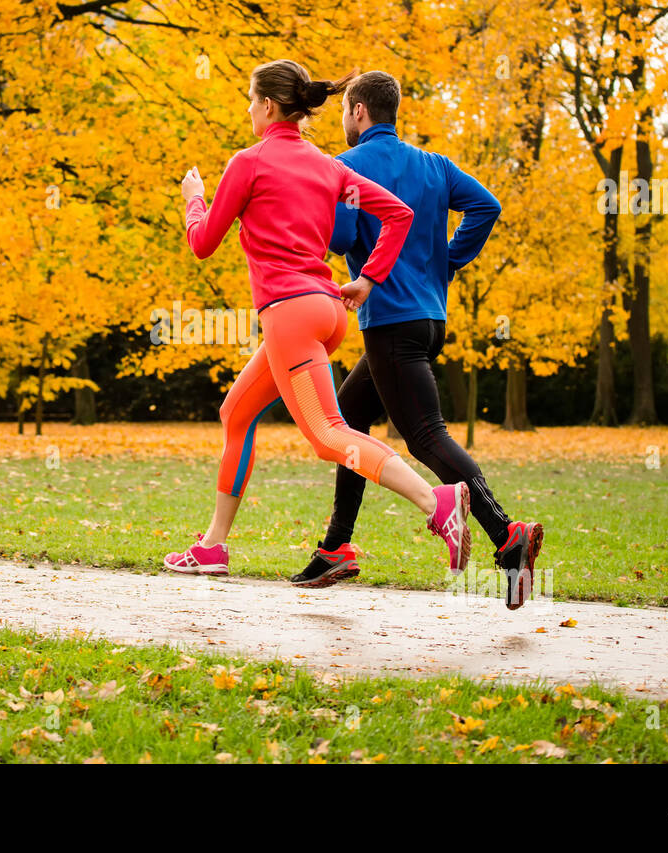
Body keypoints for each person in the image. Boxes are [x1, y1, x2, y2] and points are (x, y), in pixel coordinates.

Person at [163, 59, 473, 579]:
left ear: (266, 105)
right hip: (329, 311)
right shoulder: (328, 166)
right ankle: (212, 546)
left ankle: (437, 503)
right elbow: (400, 214)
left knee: (328, 433)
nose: (247, 108)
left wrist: (195, 201)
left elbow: (203, 243)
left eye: (249, 99)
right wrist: (368, 280)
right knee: (236, 414)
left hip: (289, 315)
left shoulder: (249, 162)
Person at [289, 70, 544, 610]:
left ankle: (507, 535)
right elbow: (486, 207)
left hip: (389, 321)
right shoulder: (434, 165)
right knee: (349, 422)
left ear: (357, 111)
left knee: (426, 437)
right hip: (429, 318)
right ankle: (337, 546)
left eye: (344, 111)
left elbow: (338, 238)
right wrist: (445, 262)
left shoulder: (345, 168)